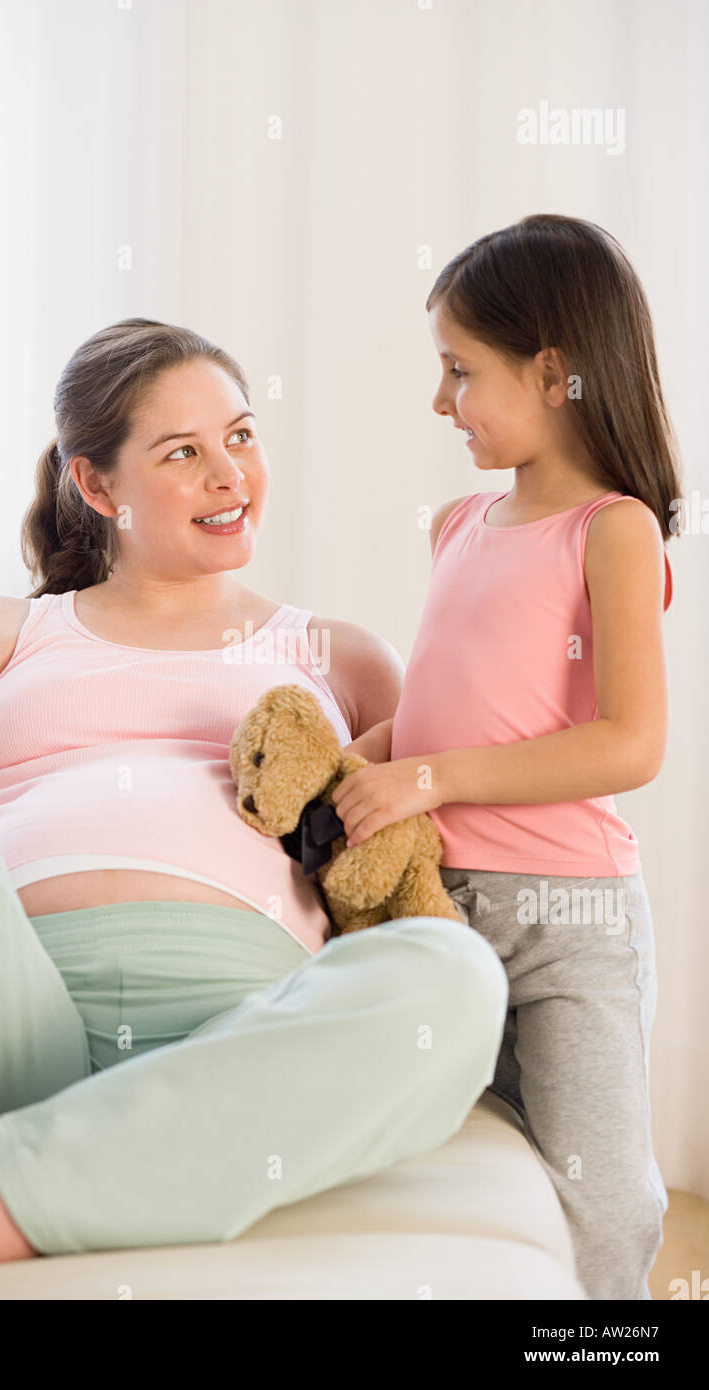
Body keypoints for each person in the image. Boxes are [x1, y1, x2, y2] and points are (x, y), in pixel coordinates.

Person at [0, 319, 508, 1269]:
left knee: (455, 976)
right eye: (183, 453)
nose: (229, 474)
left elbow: (394, 867)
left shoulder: (343, 657)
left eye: (240, 436)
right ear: (96, 484)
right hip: (11, 1024)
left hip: (241, 1041)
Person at [330, 214, 679, 1301]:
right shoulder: (456, 524)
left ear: (552, 370)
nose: (441, 404)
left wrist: (425, 778)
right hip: (443, 902)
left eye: (457, 372)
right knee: (458, 1160)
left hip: (570, 920)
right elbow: (448, 708)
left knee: (603, 1192)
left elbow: (630, 742)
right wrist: (365, 757)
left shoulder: (611, 530)